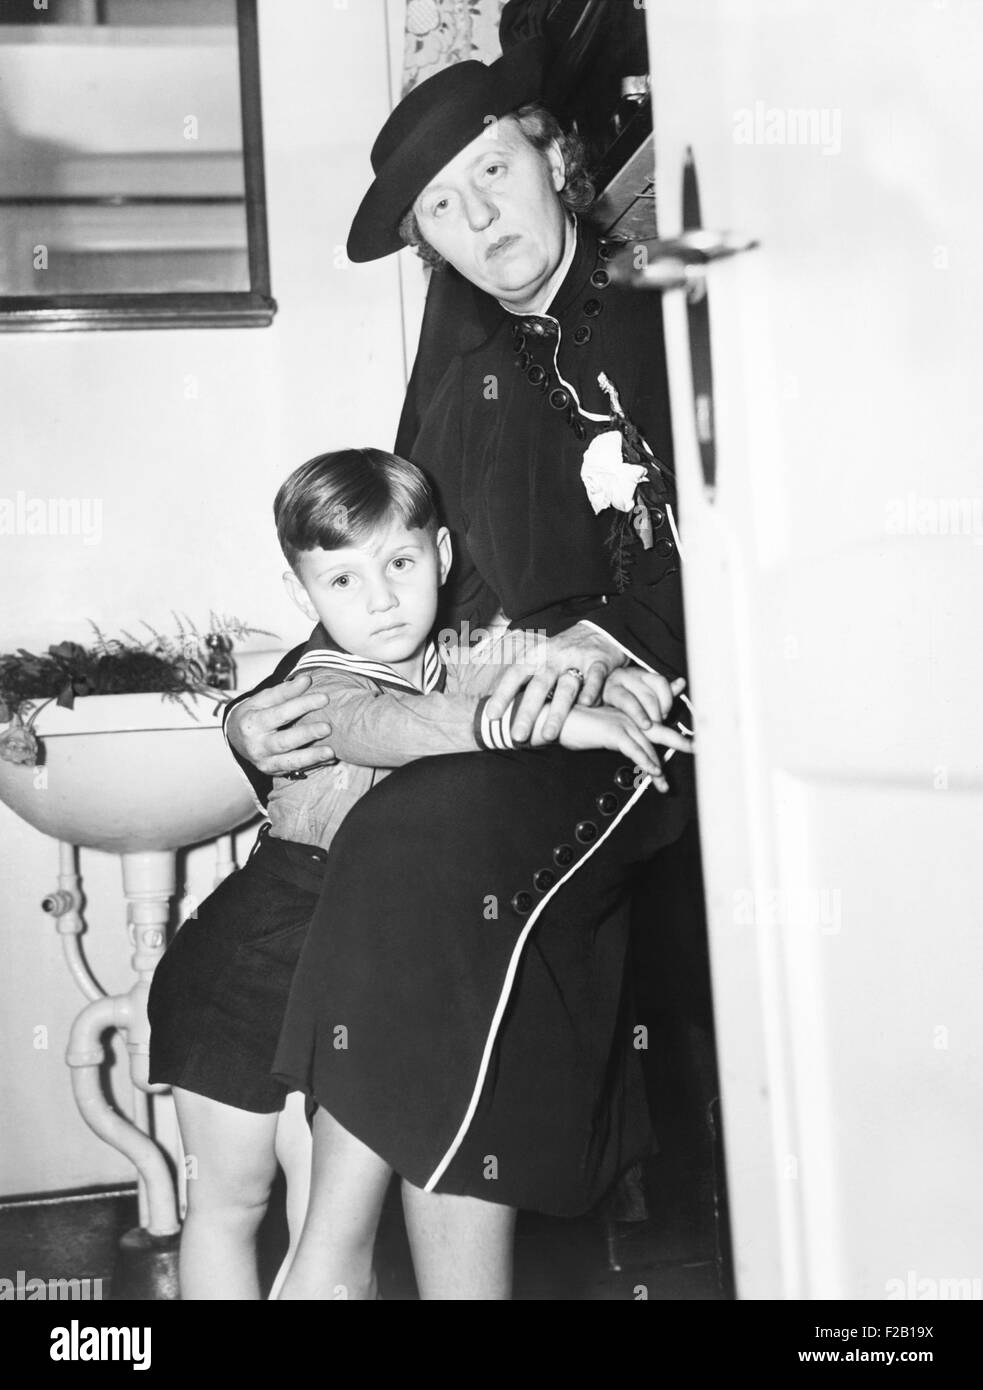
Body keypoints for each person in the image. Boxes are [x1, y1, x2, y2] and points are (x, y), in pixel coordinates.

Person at [230, 42, 697, 1300]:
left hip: (664, 712)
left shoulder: (672, 305)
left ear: (551, 157)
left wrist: (601, 650)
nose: (476, 214)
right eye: (441, 204)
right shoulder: (464, 365)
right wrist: (265, 710)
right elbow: (381, 563)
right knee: (416, 855)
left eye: (491, 171)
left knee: (422, 836)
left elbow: (737, 531)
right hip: (501, 706)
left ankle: (326, 1261)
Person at [148, 446, 688, 1300]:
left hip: (350, 977)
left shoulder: (453, 653)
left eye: (400, 563)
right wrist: (547, 729)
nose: (382, 599)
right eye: (343, 581)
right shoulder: (322, 685)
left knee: (330, 1232)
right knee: (231, 1201)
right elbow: (392, 727)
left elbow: (535, 659)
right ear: (303, 596)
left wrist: (609, 685)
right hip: (248, 969)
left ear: (439, 556)